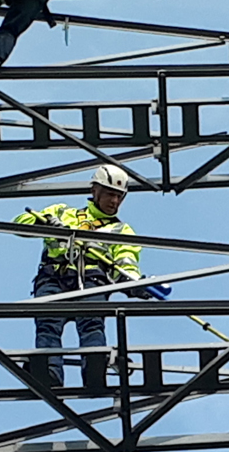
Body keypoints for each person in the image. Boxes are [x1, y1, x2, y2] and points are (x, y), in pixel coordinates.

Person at [13, 165, 142, 387]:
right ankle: (49, 371)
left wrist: (133, 281)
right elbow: (19, 224)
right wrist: (43, 223)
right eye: (110, 194)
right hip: (54, 277)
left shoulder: (120, 230)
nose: (115, 201)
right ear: (95, 191)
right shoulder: (62, 212)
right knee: (47, 324)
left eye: (119, 197)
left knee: (92, 323)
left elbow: (126, 259)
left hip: (92, 281)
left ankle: (94, 366)